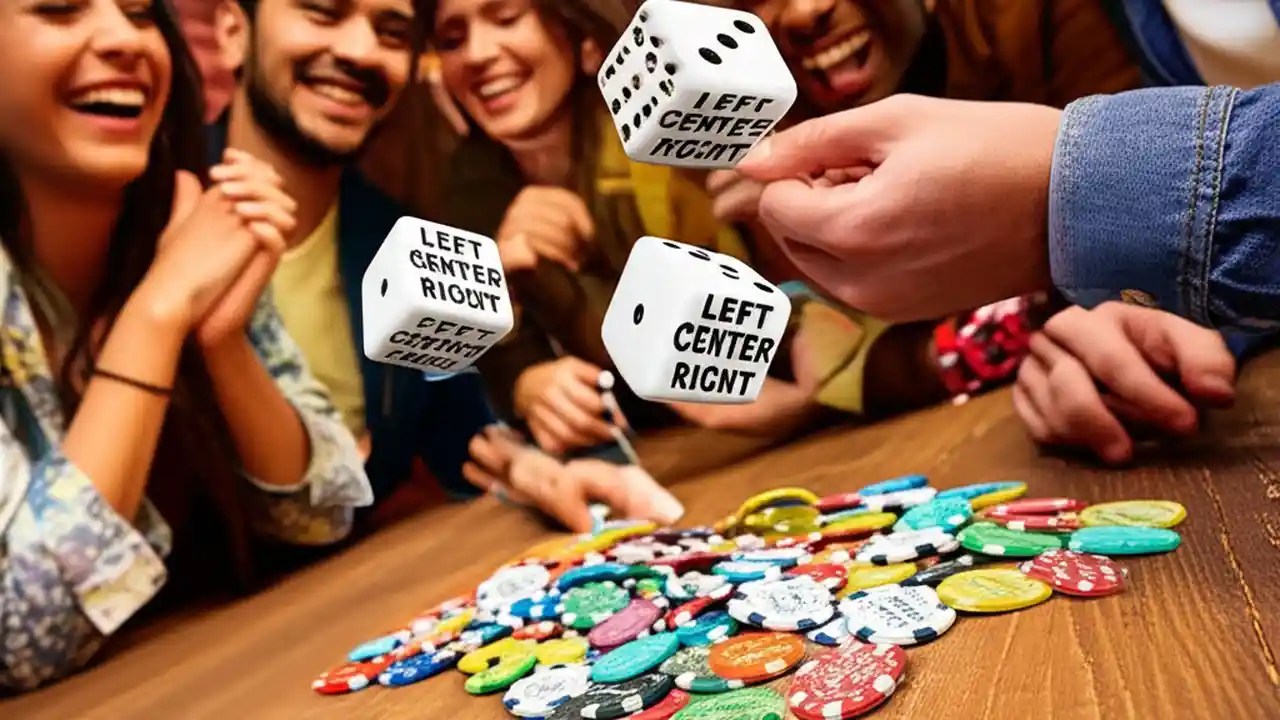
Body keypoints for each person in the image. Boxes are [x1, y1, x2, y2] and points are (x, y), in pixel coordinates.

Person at [0, 0, 370, 693]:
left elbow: (322, 514)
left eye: (142, 14)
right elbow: (19, 632)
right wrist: (157, 314)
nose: (121, 39)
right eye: (59, 8)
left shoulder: (188, 219)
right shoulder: (172, 265)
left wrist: (221, 340)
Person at [209, 0, 503, 510]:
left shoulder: (403, 241)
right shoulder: (144, 220)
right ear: (234, 31)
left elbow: (467, 441)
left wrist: (532, 471)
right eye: (323, 12)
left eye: (391, 34)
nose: (360, 51)